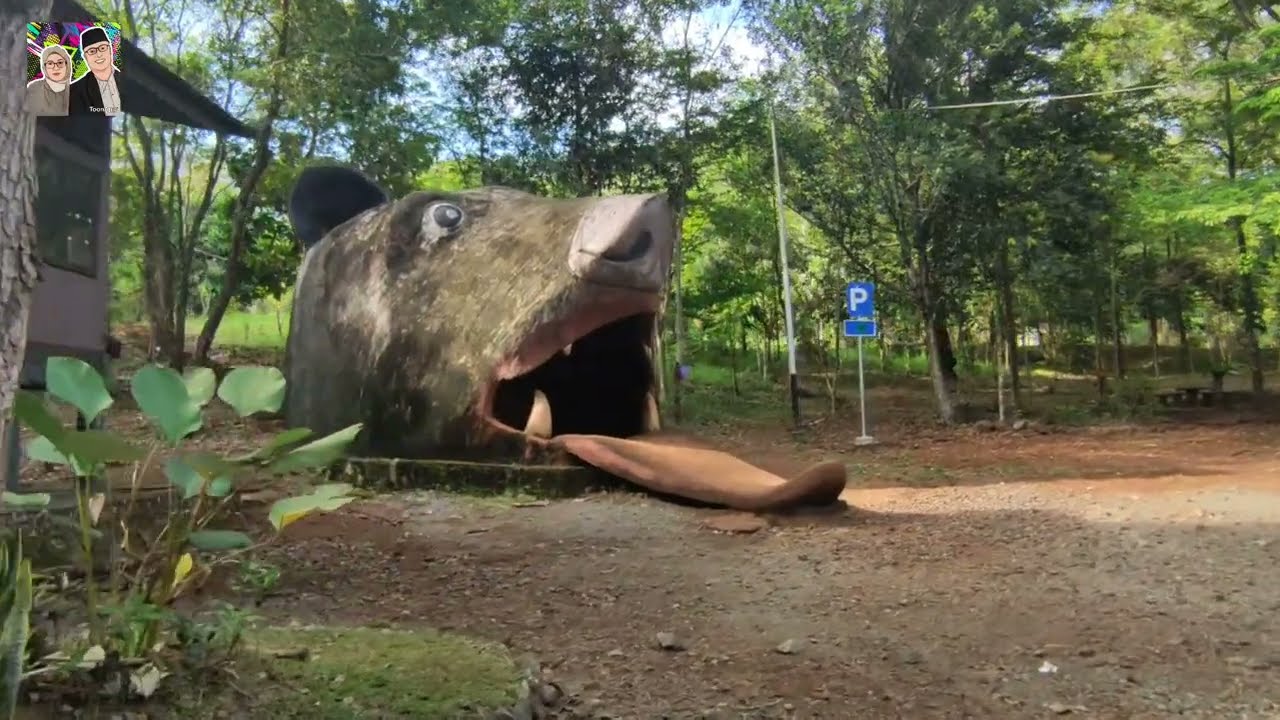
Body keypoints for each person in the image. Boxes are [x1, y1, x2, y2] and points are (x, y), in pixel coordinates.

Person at [68, 25, 121, 117]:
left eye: (102, 48)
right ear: (85, 57)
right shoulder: (74, 91)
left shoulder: (129, 82)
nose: (99, 54)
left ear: (110, 50)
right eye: (92, 51)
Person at [25, 45, 72, 116]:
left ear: (67, 65)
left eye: (60, 63)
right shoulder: (34, 88)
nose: (56, 68)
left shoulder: (77, 91)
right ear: (44, 67)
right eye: (50, 63)